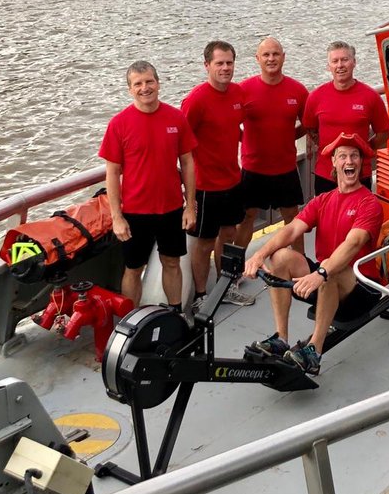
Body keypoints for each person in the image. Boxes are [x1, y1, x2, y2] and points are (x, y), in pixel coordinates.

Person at [242, 133, 385, 378]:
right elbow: (292, 229)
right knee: (280, 257)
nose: (348, 161)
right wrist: (259, 255)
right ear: (334, 163)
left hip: (361, 287)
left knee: (330, 266)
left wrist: (321, 272)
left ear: (361, 163)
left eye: (354, 156)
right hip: (326, 279)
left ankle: (314, 352)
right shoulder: (323, 200)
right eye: (342, 156)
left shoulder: (369, 203)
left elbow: (353, 244)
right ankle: (281, 338)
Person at [99, 61, 197, 313]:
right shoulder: (119, 124)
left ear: (158, 83)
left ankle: (176, 313)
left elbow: (187, 162)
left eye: (149, 81)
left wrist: (190, 206)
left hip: (172, 208)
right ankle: (130, 321)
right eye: (138, 84)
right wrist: (116, 216)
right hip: (134, 212)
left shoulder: (176, 118)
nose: (145, 88)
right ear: (130, 89)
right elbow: (112, 172)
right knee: (133, 269)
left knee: (172, 262)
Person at [181, 41, 255, 310]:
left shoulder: (238, 93)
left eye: (229, 63)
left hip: (233, 180)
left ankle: (226, 286)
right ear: (207, 66)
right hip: (205, 186)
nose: (225, 68)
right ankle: (202, 296)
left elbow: (235, 128)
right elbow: (181, 144)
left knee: (229, 233)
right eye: (219, 63)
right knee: (204, 243)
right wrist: (187, 195)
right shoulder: (196, 100)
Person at [235, 37, 309, 252]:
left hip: (285, 167)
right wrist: (246, 140)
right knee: (246, 218)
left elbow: (308, 124)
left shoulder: (298, 91)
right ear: (257, 59)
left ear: (283, 57)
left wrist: (287, 137)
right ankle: (236, 269)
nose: (271, 59)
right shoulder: (244, 90)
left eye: (275, 54)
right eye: (266, 55)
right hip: (253, 168)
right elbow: (230, 123)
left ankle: (300, 263)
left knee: (292, 217)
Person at [302, 41, 389, 194]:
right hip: (326, 174)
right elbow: (310, 128)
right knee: (326, 217)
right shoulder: (316, 97)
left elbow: (383, 132)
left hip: (360, 173)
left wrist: (364, 148)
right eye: (335, 61)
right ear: (328, 66)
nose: (340, 65)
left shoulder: (370, 97)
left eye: (345, 59)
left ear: (354, 62)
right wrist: (327, 149)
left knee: (359, 218)